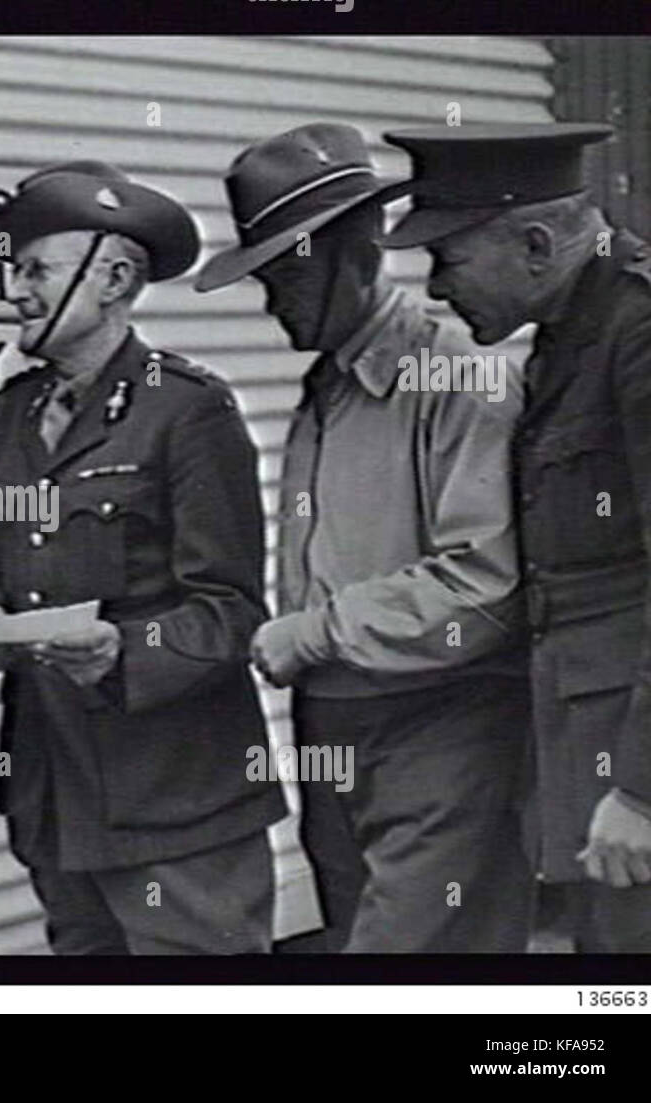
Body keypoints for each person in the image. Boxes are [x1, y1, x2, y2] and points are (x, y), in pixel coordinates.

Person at [196, 123, 532, 952]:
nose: (272, 303)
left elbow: (484, 583)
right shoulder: (330, 383)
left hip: (442, 726)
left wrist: (312, 632)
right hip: (334, 726)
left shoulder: (459, 376)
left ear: (357, 249)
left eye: (287, 275)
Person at [0, 160, 284, 955]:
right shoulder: (12, 414)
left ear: (115, 279)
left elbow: (229, 611)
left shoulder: (188, 410)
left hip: (175, 803)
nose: (14, 292)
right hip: (55, 793)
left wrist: (121, 652)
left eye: (35, 271)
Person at [381, 122, 651, 950]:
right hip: (587, 751)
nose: (436, 289)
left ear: (535, 244)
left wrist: (642, 789)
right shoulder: (571, 332)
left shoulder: (639, 332)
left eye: (448, 259)